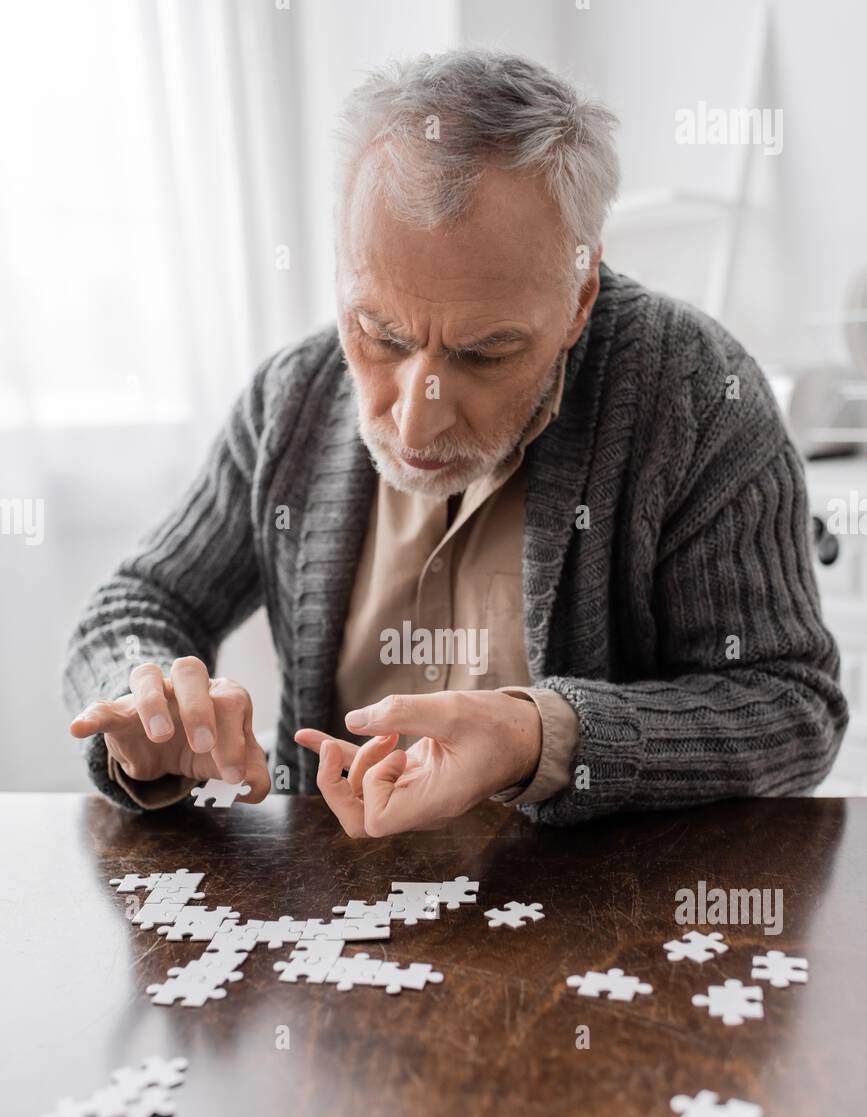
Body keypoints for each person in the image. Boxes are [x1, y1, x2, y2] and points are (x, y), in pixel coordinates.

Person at [64, 51, 847, 837]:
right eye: (379, 334)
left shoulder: (695, 393)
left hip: (591, 918)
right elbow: (140, 604)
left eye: (484, 353)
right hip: (327, 907)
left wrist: (540, 738)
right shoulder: (291, 397)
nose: (413, 423)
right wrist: (153, 706)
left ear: (578, 299)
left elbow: (790, 707)